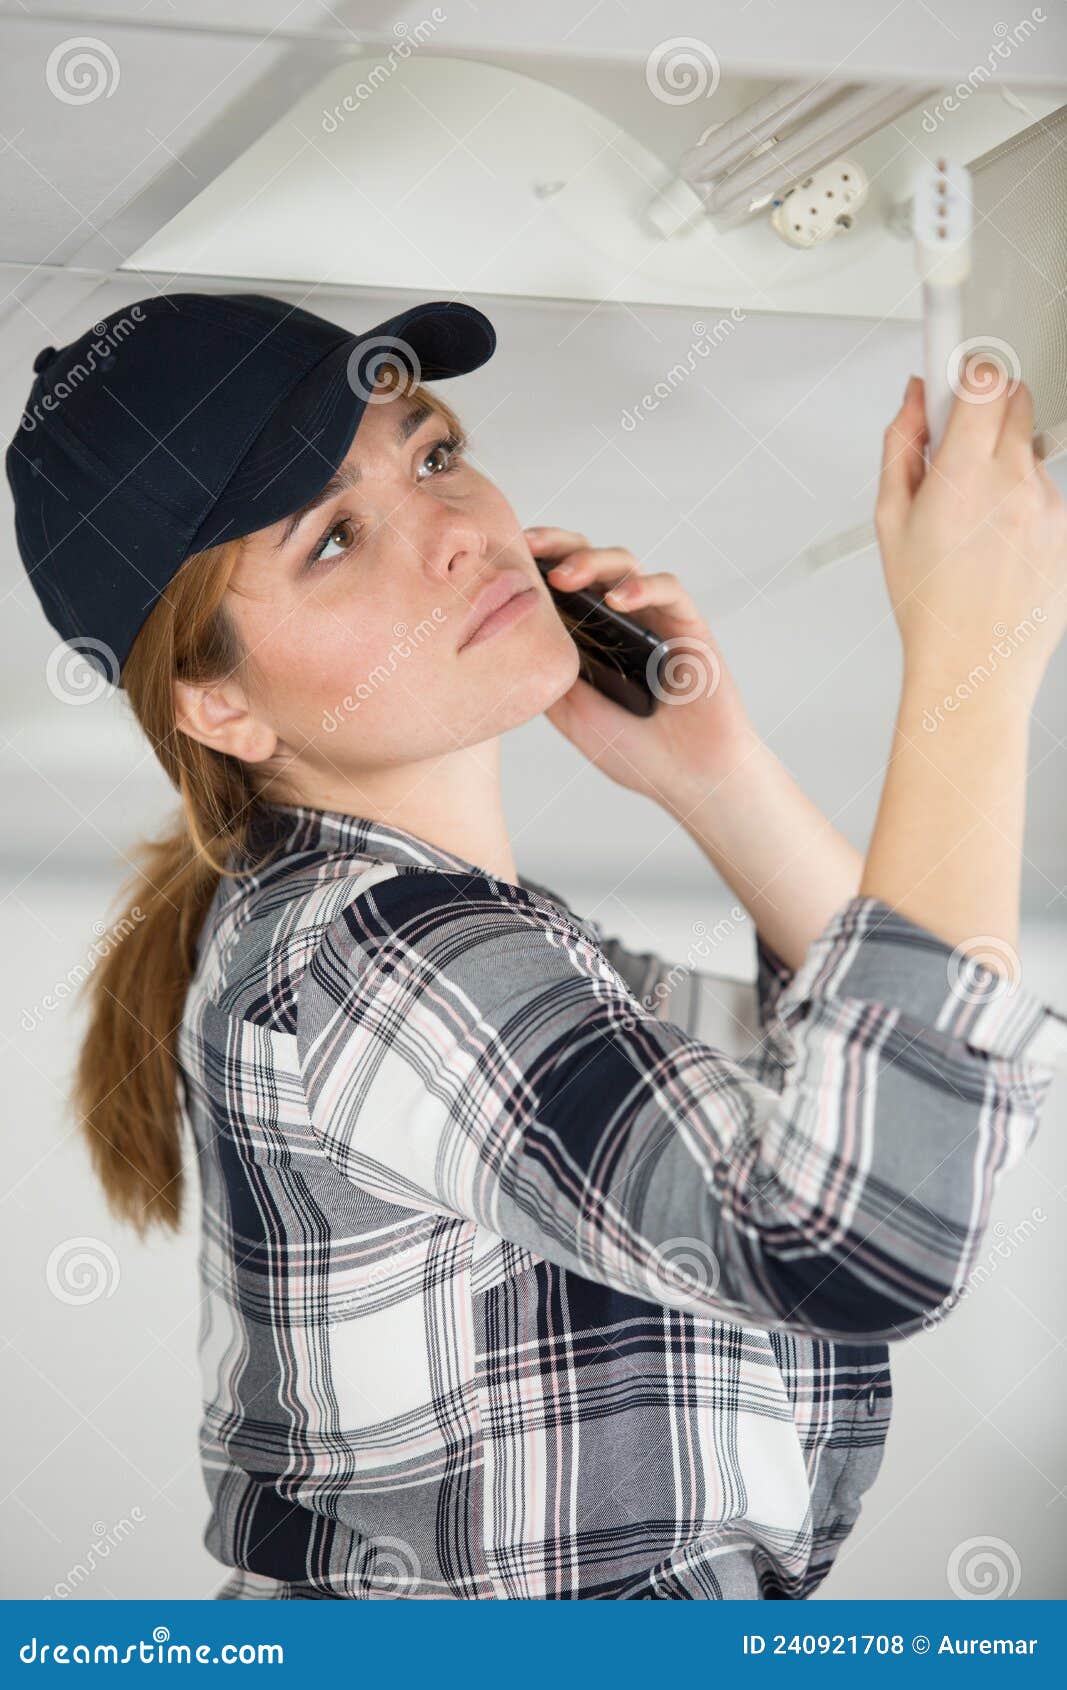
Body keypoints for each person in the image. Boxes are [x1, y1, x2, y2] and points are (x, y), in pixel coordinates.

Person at [7, 292, 1066, 1601]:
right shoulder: (365, 954)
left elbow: (926, 1128)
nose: (454, 536)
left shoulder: (491, 946)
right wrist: (978, 660)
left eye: (434, 452)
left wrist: (721, 781)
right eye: (335, 538)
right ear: (217, 702)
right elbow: (863, 1234)